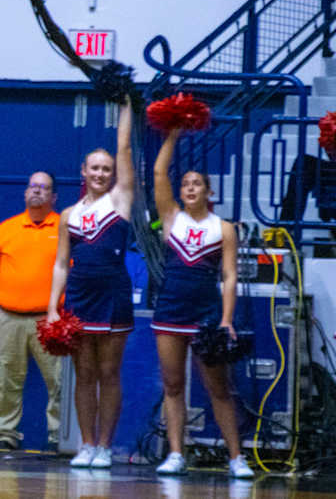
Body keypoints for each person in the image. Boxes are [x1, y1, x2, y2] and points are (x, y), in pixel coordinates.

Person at [150, 128, 254, 479]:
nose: (190, 188)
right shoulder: (170, 219)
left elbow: (228, 276)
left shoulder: (224, 229)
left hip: (207, 315)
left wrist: (226, 319)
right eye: (186, 184)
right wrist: (174, 134)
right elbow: (158, 174)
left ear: (209, 192)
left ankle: (236, 457)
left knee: (219, 388)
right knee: (173, 385)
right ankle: (177, 453)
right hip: (170, 311)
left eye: (197, 184)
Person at [46, 98, 134, 470]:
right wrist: (53, 307)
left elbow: (125, 149)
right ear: (83, 170)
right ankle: (86, 443)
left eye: (106, 168)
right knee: (83, 373)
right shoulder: (70, 214)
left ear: (114, 174)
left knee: (109, 372)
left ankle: (105, 447)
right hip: (80, 297)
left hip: (113, 294)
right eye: (94, 167)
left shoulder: (120, 200)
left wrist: (126, 107)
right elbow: (61, 264)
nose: (100, 173)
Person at [0, 172, 62, 451]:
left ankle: (57, 436)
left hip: (49, 320)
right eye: (33, 186)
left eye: (44, 188)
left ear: (54, 197)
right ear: (25, 193)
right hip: (9, 319)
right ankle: (6, 434)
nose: (37, 191)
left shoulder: (65, 229)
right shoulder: (6, 229)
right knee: (5, 380)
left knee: (59, 381)